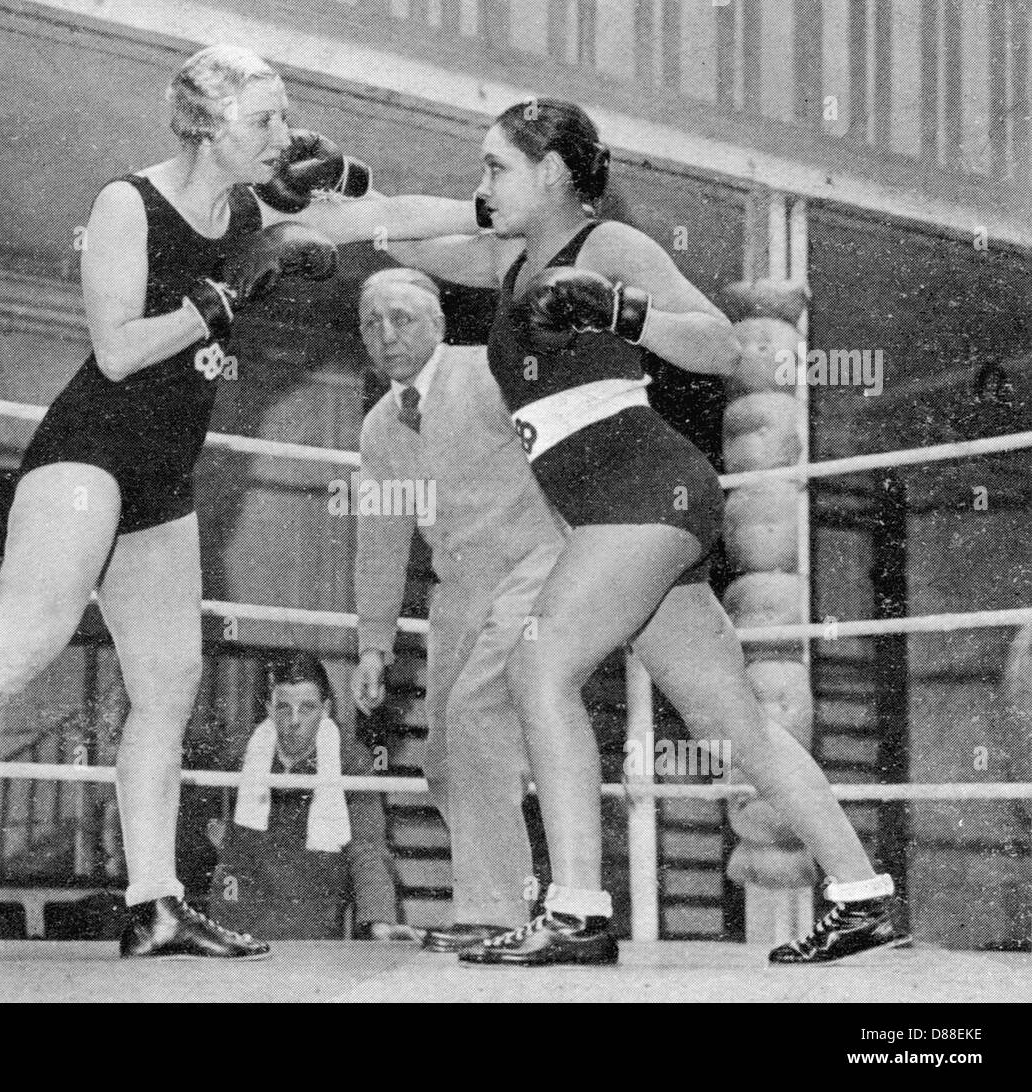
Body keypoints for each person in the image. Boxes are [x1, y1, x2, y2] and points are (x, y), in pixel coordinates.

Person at [0, 43, 479, 964]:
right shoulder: (128, 203)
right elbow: (118, 350)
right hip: (88, 452)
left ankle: (155, 900)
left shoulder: (252, 207)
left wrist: (489, 209)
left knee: (168, 683)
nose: (284, 137)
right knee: (22, 644)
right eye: (265, 121)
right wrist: (224, 297)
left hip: (164, 478)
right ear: (207, 126)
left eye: (286, 118)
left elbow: (388, 212)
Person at [388, 98, 908, 966]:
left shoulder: (610, 248)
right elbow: (402, 237)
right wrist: (337, 196)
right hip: (625, 511)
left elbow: (721, 347)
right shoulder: (512, 262)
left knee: (538, 665)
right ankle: (863, 895)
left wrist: (622, 312)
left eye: (496, 167)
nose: (480, 185)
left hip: (647, 493)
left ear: (553, 171)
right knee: (735, 719)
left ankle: (578, 911)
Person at [351, 267, 564, 950]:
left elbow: (569, 454)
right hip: (459, 592)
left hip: (539, 564)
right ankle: (501, 898)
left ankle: (494, 913)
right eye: (372, 322)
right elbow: (381, 539)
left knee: (477, 714)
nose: (388, 335)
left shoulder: (491, 374)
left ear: (439, 323)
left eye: (403, 318)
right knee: (444, 754)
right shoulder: (379, 429)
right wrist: (373, 645)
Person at [206, 654, 418, 942]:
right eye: (283, 708)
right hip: (237, 917)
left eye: (307, 708)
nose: (293, 721)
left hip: (309, 919)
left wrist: (379, 920)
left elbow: (366, 847)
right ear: (268, 708)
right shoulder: (238, 756)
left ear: (326, 709)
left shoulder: (350, 761)